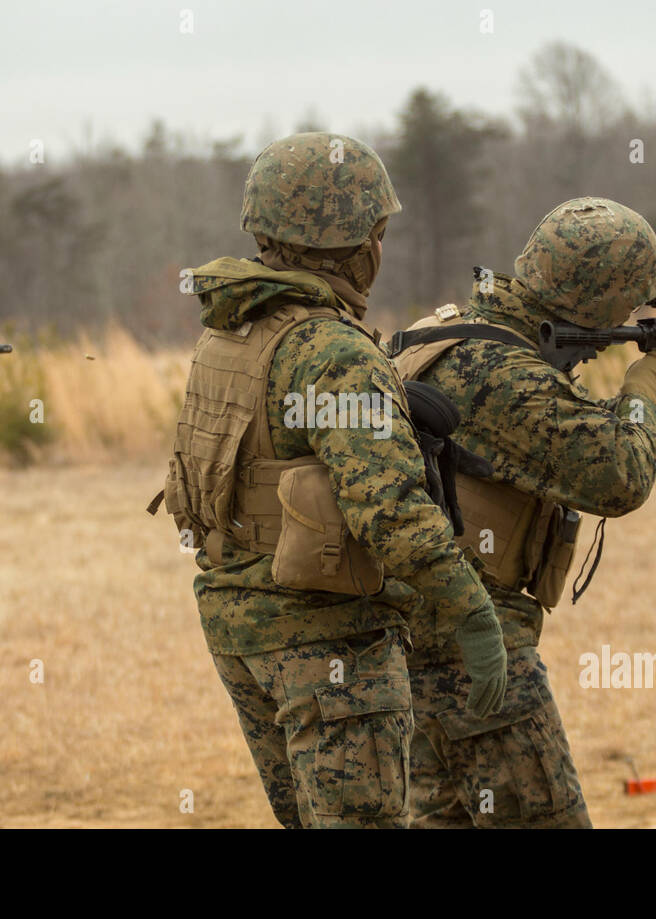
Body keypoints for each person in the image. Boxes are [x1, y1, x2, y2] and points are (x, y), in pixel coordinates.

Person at [151, 133, 508, 828]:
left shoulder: (227, 334)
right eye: (376, 233)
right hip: (326, 643)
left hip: (237, 622)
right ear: (348, 246)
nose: (381, 248)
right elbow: (392, 511)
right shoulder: (332, 351)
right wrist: (472, 613)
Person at [390, 198, 656, 827]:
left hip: (421, 637)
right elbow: (614, 478)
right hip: (474, 649)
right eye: (626, 308)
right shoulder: (504, 370)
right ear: (594, 304)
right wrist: (646, 387)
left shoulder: (462, 338)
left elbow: (551, 445)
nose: (631, 322)